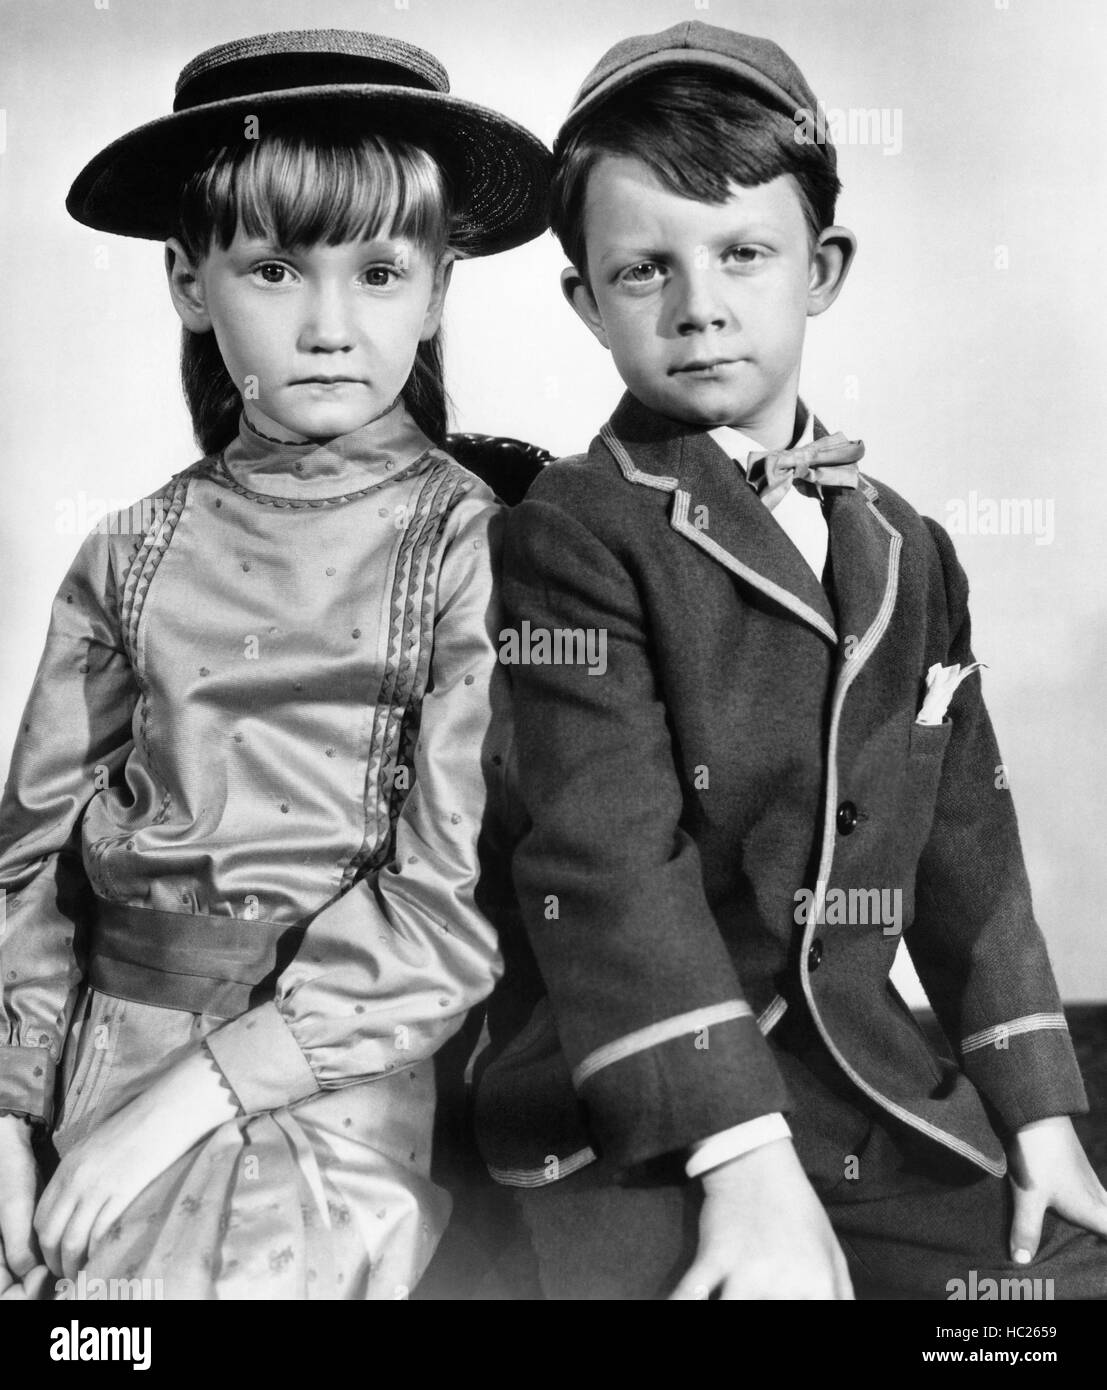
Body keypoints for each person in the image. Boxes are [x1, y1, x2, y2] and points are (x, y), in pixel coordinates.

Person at [474, 21, 1107, 1299]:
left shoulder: (909, 548)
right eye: (643, 269)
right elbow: (603, 862)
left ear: (820, 269)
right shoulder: (570, 534)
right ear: (584, 299)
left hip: (864, 1089)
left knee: (1048, 1301)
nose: (698, 305)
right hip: (644, 1100)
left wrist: (1039, 1112)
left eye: (743, 255)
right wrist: (741, 1153)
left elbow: (966, 852)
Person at [0, 27, 549, 1300]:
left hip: (325, 1088)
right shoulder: (127, 548)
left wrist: (183, 1103)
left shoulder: (477, 546)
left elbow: (444, 903)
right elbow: (27, 861)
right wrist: (13, 1117)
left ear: (439, 289)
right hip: (94, 1063)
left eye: (377, 271)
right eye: (272, 268)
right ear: (191, 283)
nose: (326, 325)